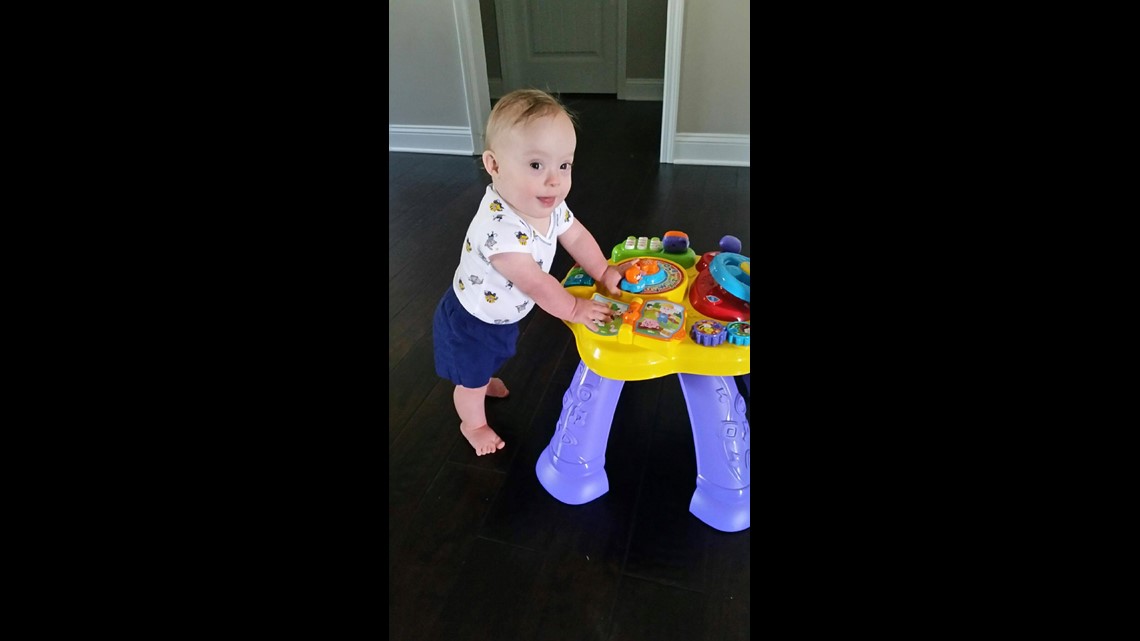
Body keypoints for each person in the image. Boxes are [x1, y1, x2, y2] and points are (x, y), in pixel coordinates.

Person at [432, 89, 622, 456]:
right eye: (537, 165)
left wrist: (603, 270)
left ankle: (483, 378)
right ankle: (473, 423)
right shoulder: (499, 229)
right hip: (471, 321)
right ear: (494, 165)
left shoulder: (549, 204)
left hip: (501, 314)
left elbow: (576, 235)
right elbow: (535, 282)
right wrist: (574, 310)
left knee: (492, 358)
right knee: (469, 380)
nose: (554, 180)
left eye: (563, 165)